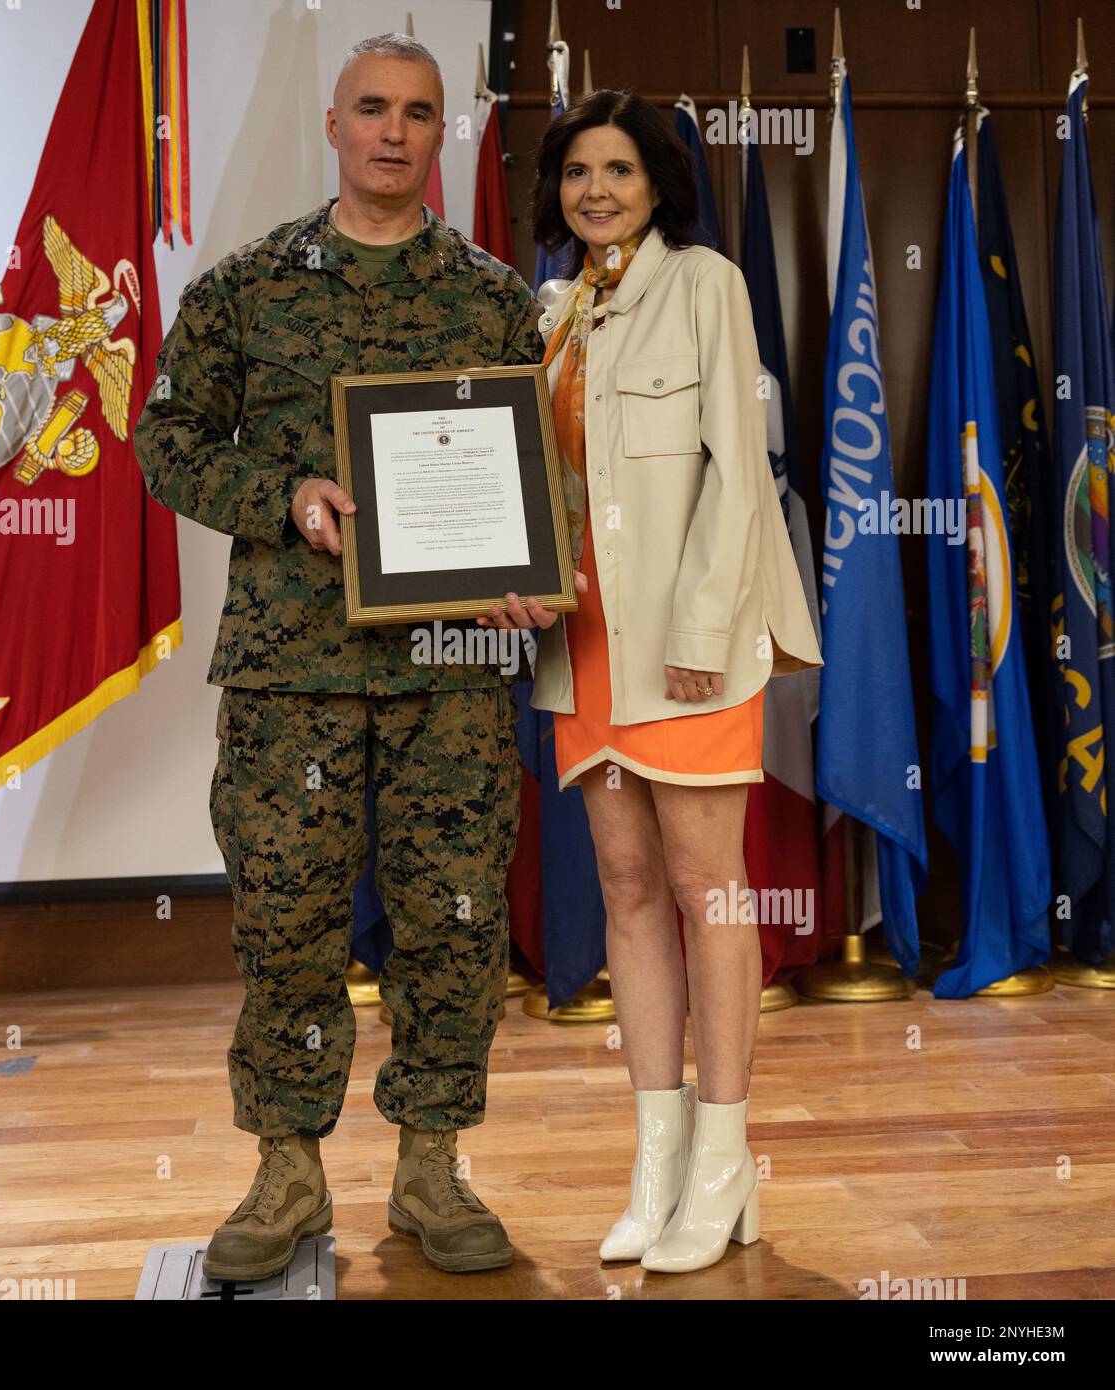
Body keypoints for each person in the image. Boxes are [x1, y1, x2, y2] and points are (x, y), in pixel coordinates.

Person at [134, 33, 544, 1281]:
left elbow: (535, 474)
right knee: (288, 919)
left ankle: (431, 1163)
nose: (394, 130)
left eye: (419, 112)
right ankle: (288, 1171)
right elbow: (165, 441)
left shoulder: (492, 298)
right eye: (372, 107)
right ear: (332, 123)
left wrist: (534, 565)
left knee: (452, 919)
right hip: (290, 667)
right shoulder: (249, 286)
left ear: (438, 135)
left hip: (451, 666)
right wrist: (285, 490)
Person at [478, 89, 823, 1273]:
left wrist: (698, 618)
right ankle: (658, 1155)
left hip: (691, 637)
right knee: (626, 886)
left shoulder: (705, 285)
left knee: (705, 885)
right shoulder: (551, 309)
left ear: (657, 182)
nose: (595, 191)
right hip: (585, 643)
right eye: (577, 172)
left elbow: (740, 467)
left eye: (618, 170)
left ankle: (726, 1159)